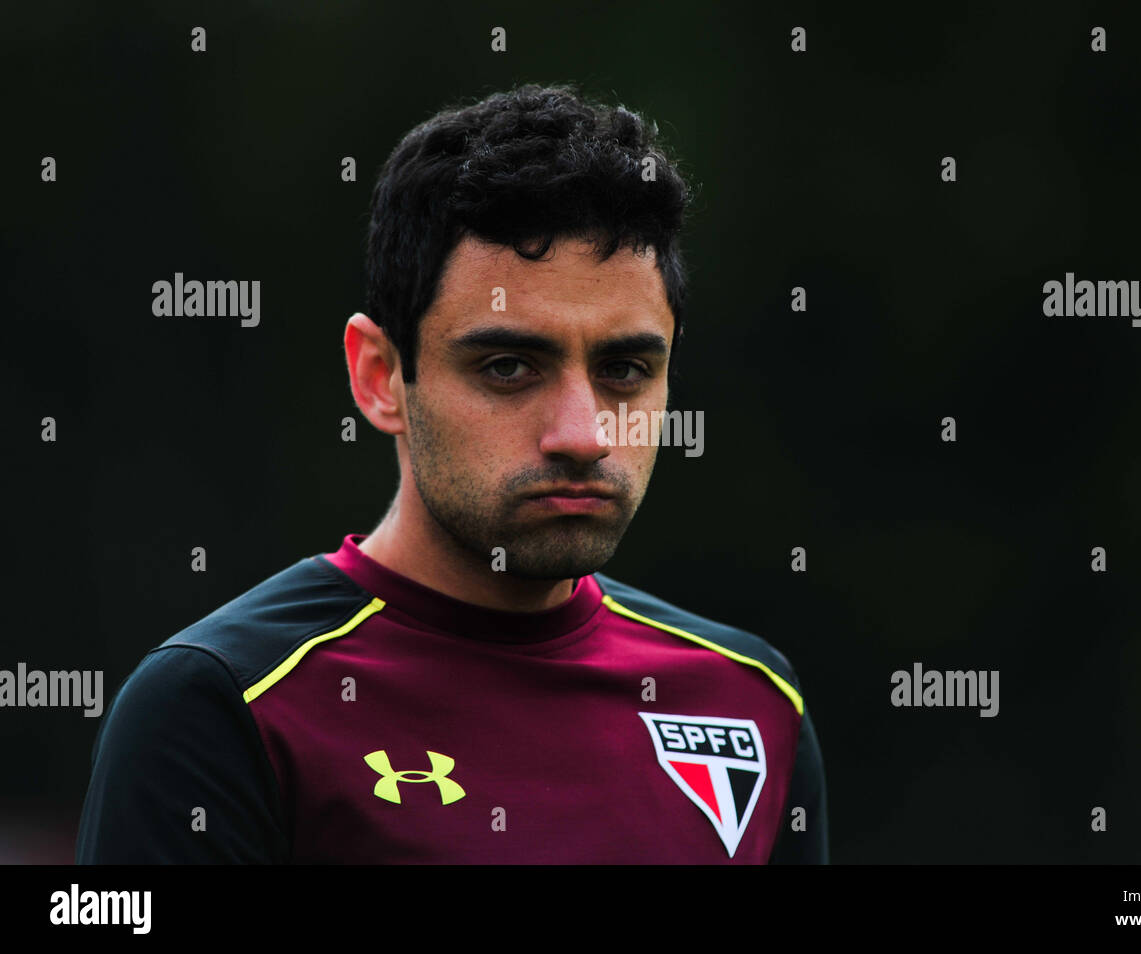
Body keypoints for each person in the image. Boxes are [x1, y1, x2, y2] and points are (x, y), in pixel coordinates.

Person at [76, 84, 828, 863]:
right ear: (378, 378)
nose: (584, 433)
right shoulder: (220, 709)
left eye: (625, 368)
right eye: (508, 366)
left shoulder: (752, 706)